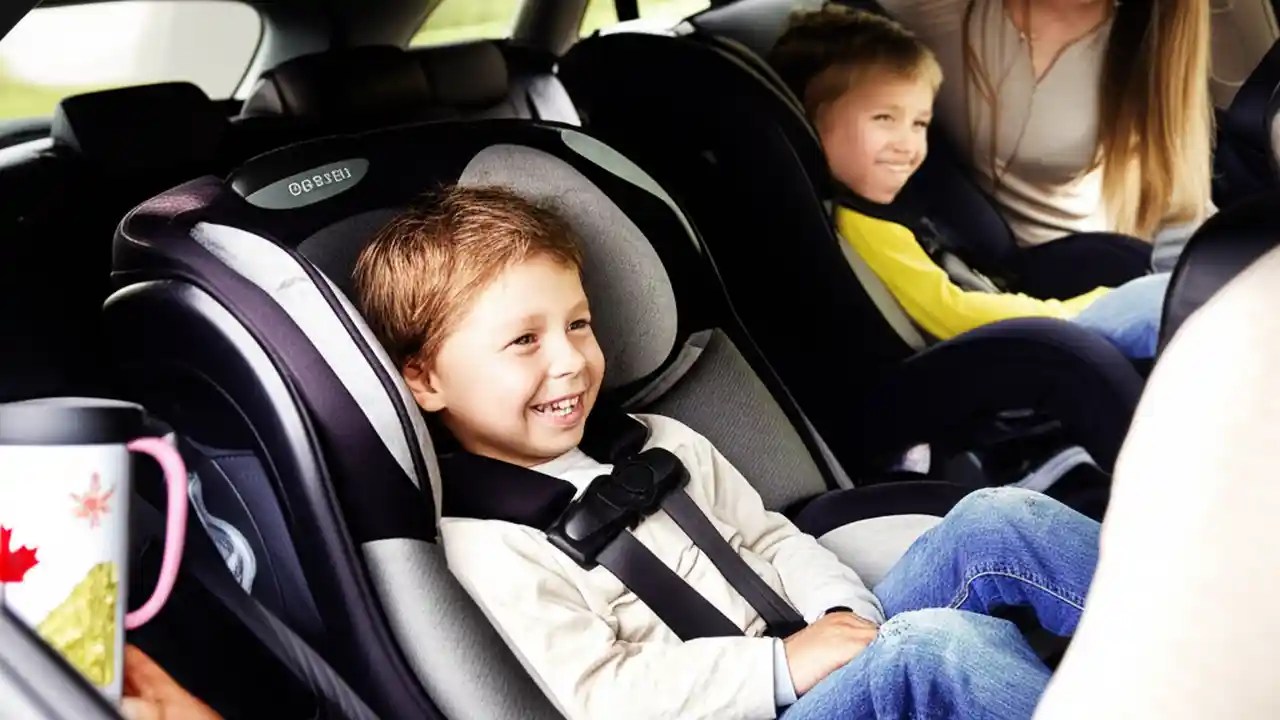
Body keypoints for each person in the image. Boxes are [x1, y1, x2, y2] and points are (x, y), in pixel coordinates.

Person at [352, 184, 1103, 719]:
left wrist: (836, 611)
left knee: (996, 522)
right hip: (745, 701)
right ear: (423, 379)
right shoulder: (485, 547)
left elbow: (773, 540)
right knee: (932, 649)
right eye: (524, 341)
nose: (571, 361)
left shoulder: (661, 443)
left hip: (811, 650)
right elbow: (602, 698)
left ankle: (1199, 653)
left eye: (578, 324)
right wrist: (782, 666)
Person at [768, 5, 1168, 360]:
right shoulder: (865, 227)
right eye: (884, 119)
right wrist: (1075, 312)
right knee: (1163, 306)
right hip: (1010, 352)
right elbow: (953, 314)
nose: (908, 145)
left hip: (1026, 327)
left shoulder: (890, 210)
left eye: (919, 123)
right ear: (808, 125)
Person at [877, 0, 1213, 274]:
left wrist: (1173, 304)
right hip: (973, 262)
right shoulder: (946, 12)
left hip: (1092, 268)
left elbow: (1180, 207)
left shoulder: (1145, 46)